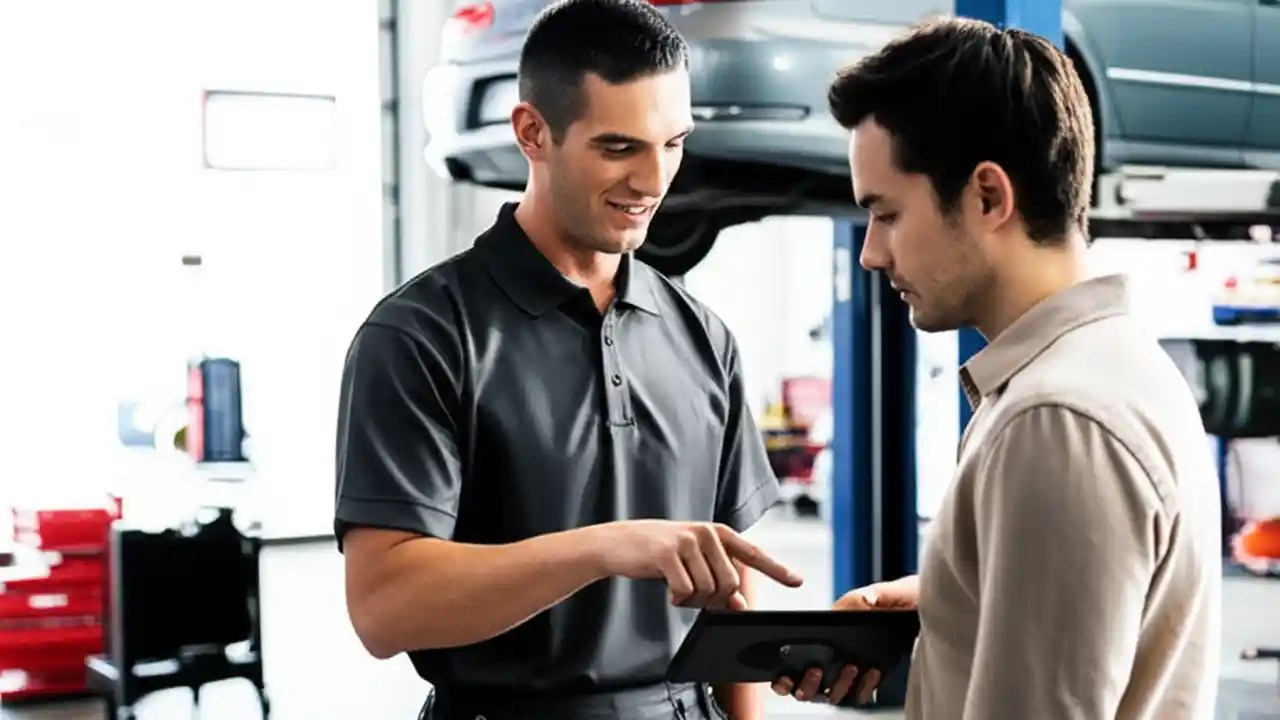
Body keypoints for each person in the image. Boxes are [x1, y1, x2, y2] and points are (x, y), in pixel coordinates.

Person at [333, 1, 803, 718]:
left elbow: (730, 580)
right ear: (533, 133)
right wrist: (603, 550)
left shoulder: (704, 337)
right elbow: (384, 608)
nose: (653, 182)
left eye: (672, 143)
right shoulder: (421, 336)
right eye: (619, 148)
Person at [774, 16, 1223, 719]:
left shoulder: (1057, 419)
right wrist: (957, 597)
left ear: (988, 196)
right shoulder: (1116, 368)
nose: (871, 253)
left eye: (886, 214)